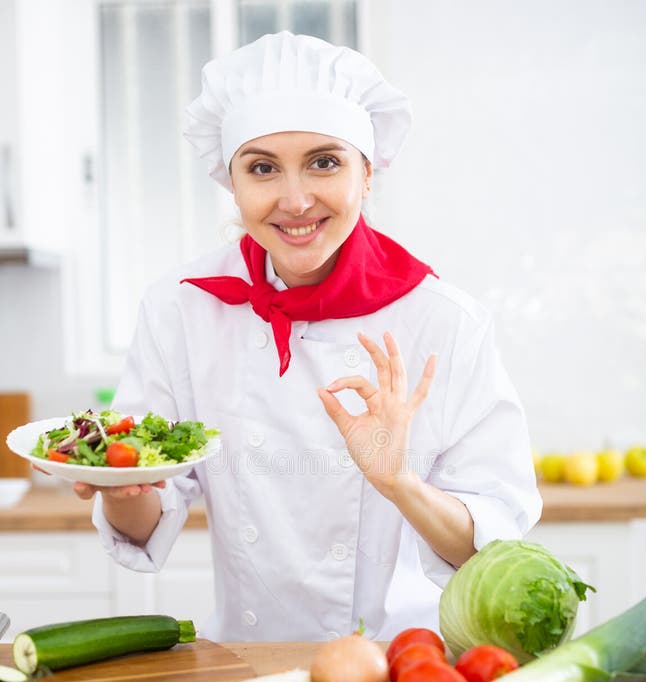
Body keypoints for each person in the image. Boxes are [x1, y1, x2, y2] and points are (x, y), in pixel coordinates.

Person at [78, 31, 542, 641]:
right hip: (247, 660)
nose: (295, 201)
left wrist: (398, 484)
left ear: (367, 173)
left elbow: (494, 545)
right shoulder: (180, 309)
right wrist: (122, 487)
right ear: (231, 182)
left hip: (406, 663)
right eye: (263, 168)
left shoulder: (444, 322)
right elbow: (145, 516)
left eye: (324, 161)